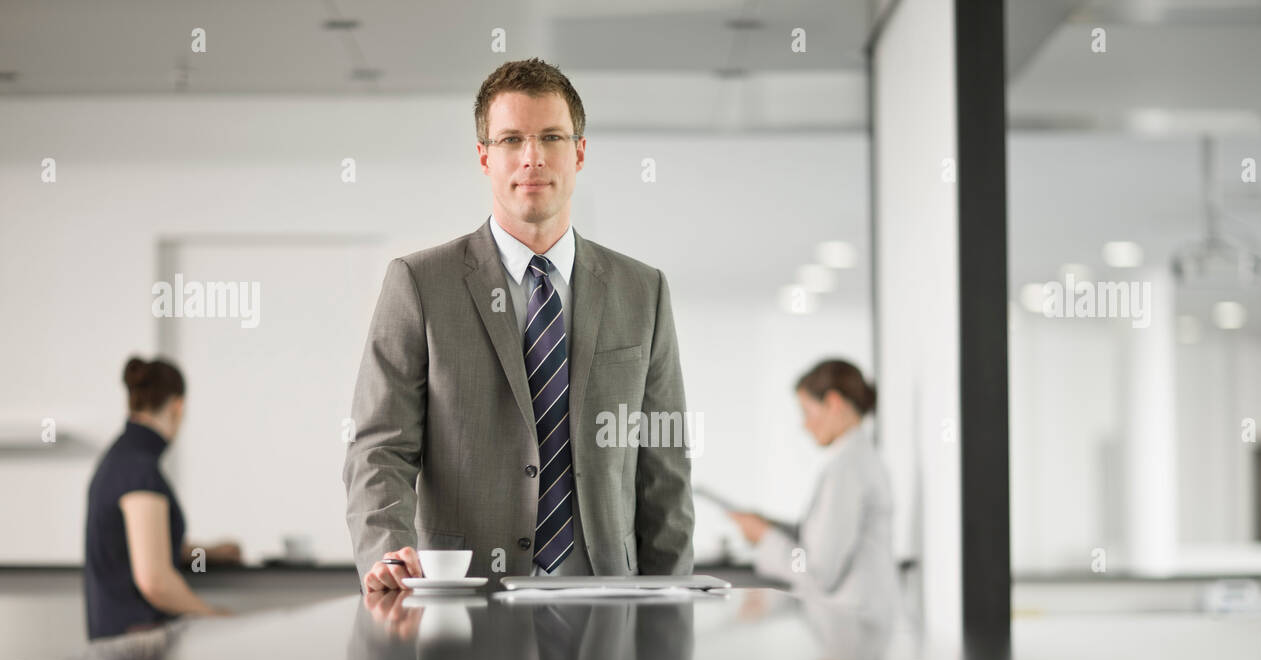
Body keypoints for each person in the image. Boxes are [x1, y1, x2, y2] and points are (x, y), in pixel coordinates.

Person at [344, 58, 694, 592]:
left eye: (551, 136)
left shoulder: (643, 291)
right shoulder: (419, 283)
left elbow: (663, 463)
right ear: (484, 157)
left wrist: (672, 610)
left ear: (579, 152)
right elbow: (379, 448)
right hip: (462, 600)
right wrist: (390, 557)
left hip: (605, 602)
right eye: (511, 140)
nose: (532, 157)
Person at [84, 357, 238, 638]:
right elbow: (154, 581)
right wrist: (213, 616)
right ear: (179, 406)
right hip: (137, 649)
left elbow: (137, 547)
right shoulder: (138, 471)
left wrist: (209, 553)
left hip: (119, 646)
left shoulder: (119, 461)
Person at [727, 359, 896, 615]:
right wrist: (771, 527)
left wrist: (764, 536)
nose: (804, 425)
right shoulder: (856, 459)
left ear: (833, 403)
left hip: (851, 625)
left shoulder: (847, 468)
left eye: (807, 412)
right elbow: (822, 539)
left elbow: (819, 575)